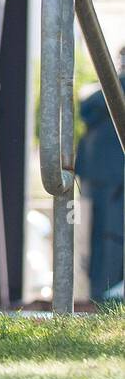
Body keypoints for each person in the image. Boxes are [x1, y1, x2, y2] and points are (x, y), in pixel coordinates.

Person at [75, 46, 125, 301]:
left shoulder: (102, 92)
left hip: (100, 178)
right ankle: (108, 300)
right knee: (113, 240)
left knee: (102, 242)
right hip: (114, 180)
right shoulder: (114, 91)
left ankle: (102, 297)